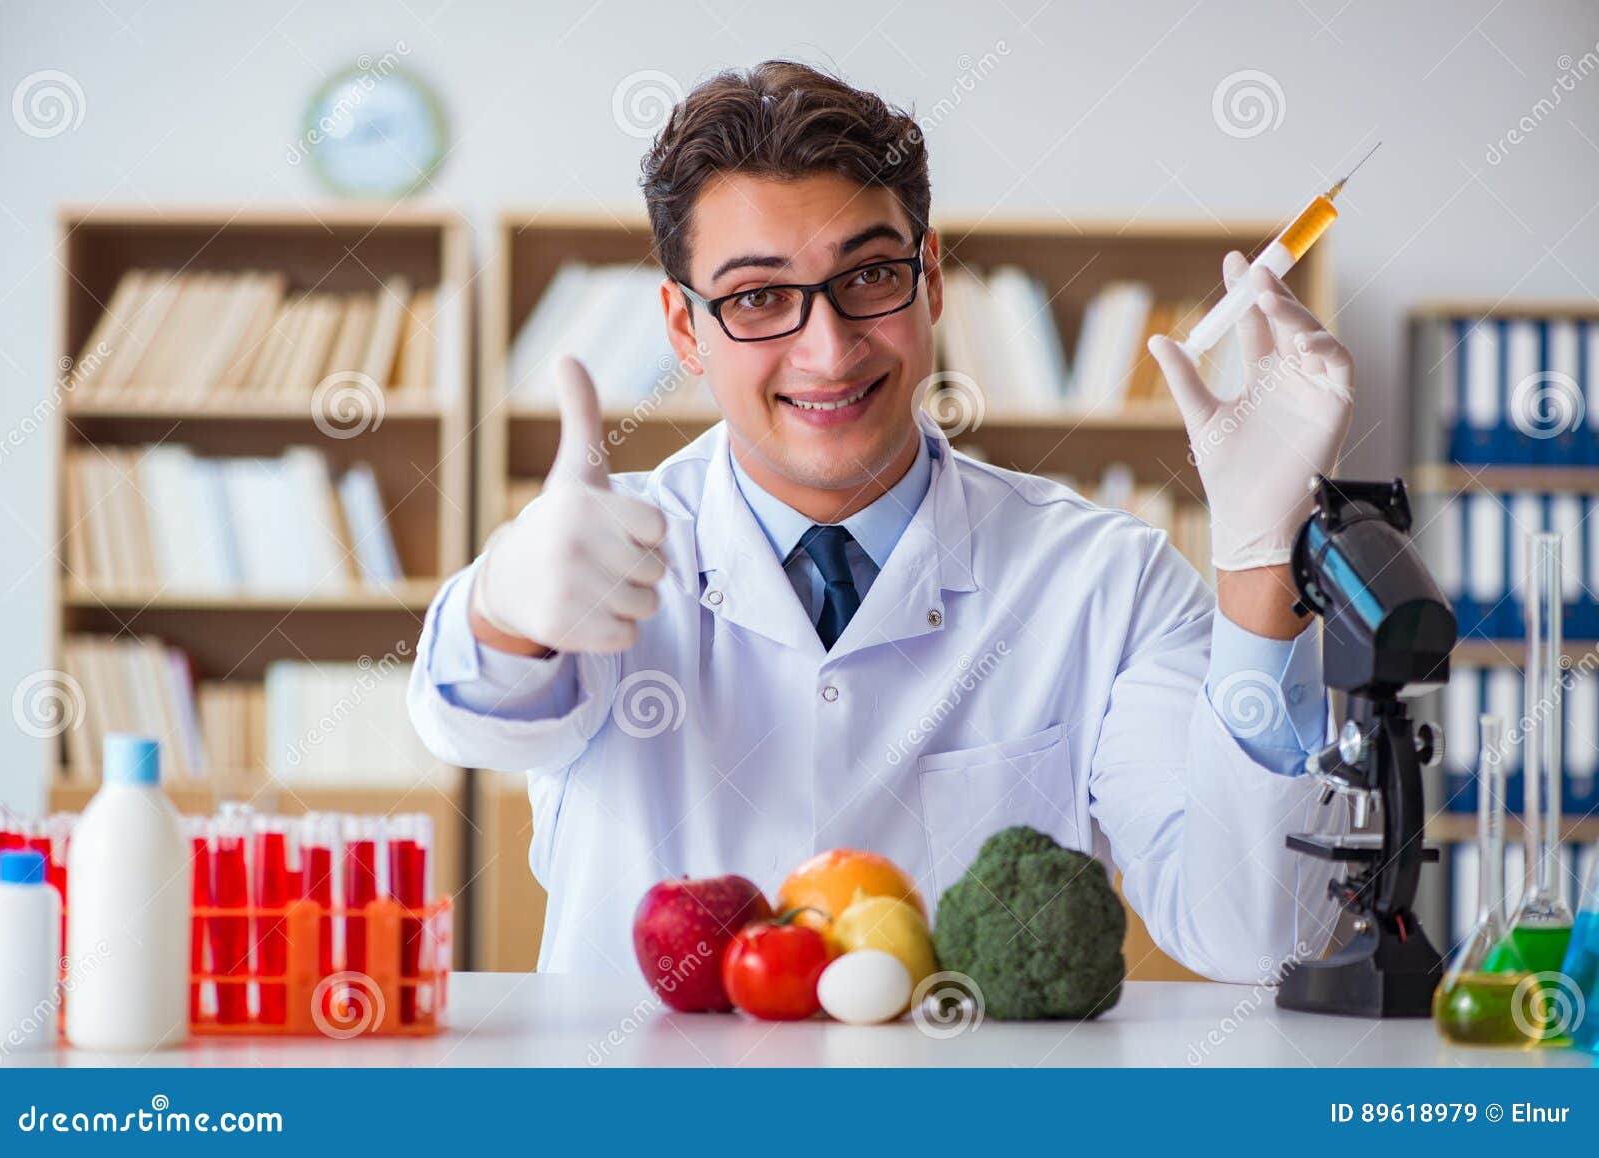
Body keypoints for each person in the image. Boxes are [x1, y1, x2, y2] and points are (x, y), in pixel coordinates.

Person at [408, 60, 1355, 984]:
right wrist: (503, 608)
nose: (828, 348)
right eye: (758, 297)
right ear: (685, 329)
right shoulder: (606, 559)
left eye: (867, 276)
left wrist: (1264, 565)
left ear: (931, 278)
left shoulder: (1106, 579)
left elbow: (1254, 932)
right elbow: (471, 724)